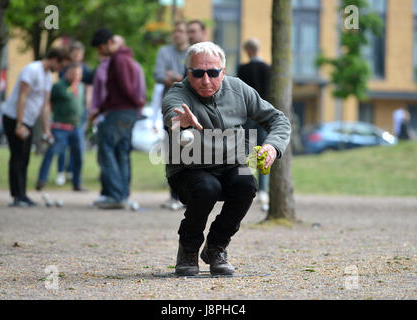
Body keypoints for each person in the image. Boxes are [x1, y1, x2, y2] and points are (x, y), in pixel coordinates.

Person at [162, 42, 291, 276]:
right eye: (198, 73)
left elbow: (278, 120)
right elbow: (172, 113)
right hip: (189, 166)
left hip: (232, 163)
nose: (205, 79)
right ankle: (188, 249)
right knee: (207, 187)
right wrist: (179, 122)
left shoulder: (239, 89)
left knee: (247, 183)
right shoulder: (178, 93)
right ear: (188, 73)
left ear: (223, 71)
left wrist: (272, 146)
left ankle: (216, 247)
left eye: (213, 73)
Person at [2, 47, 67, 207]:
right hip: (14, 118)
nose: (60, 70)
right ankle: (17, 196)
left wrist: (46, 130)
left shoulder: (47, 77)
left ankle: (23, 194)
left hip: (28, 122)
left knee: (25, 157)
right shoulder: (32, 70)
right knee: (17, 156)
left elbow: (45, 105)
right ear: (54, 59)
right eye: (61, 65)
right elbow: (21, 97)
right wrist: (19, 124)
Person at [89, 28, 145, 209]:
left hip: (120, 112)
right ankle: (122, 195)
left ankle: (114, 195)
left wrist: (138, 102)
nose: (99, 52)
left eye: (99, 48)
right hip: (127, 111)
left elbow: (125, 87)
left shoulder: (118, 60)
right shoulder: (126, 58)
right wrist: (99, 110)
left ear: (107, 43)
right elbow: (114, 93)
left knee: (105, 149)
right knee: (121, 151)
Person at [153, 21, 189, 211]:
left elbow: (191, 78)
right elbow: (158, 74)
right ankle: (174, 195)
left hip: (191, 108)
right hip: (171, 109)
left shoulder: (193, 52)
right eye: (175, 31)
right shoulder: (164, 52)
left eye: (181, 31)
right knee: (172, 152)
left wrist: (174, 77)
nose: (178, 34)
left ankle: (190, 194)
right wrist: (181, 78)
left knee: (191, 151)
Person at [35, 63, 86, 192]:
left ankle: (77, 183)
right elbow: (49, 104)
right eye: (74, 73)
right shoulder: (58, 86)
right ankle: (42, 179)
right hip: (60, 127)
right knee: (51, 153)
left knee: (79, 156)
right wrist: (48, 124)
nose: (76, 76)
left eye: (79, 74)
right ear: (67, 73)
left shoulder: (81, 87)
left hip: (76, 127)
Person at [237, 38, 271, 212]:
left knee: (247, 150)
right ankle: (264, 189)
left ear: (248, 51)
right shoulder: (268, 69)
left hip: (248, 115)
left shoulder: (243, 69)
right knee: (263, 152)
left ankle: (248, 186)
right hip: (263, 115)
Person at [56, 41, 94, 186]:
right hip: (64, 112)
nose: (77, 55)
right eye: (75, 52)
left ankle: (72, 171)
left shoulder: (86, 70)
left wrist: (88, 105)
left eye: (80, 53)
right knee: (62, 143)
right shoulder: (64, 69)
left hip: (80, 110)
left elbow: (89, 89)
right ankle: (61, 171)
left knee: (77, 143)